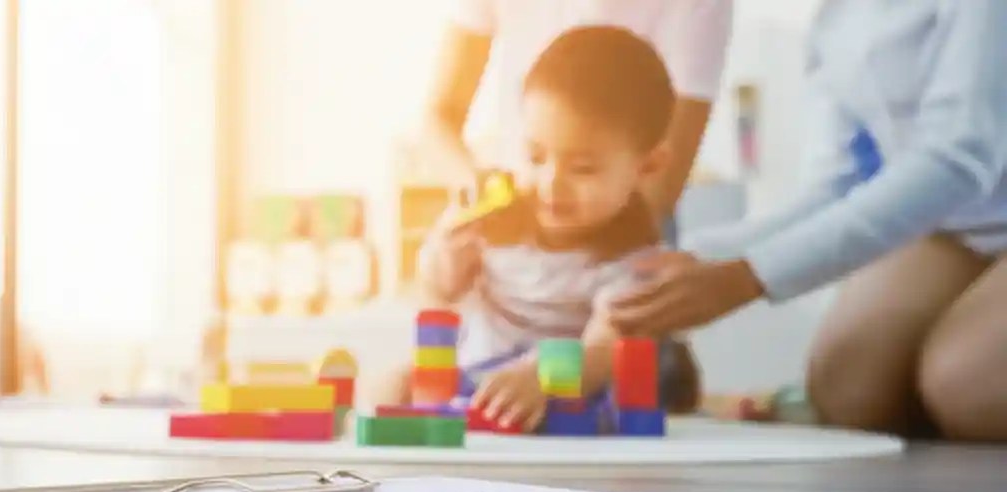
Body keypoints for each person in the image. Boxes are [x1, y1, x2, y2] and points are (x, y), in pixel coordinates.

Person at [607, 0, 1007, 442]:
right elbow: (835, 187)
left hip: (970, 201)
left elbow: (958, 160)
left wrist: (750, 277)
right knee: (848, 386)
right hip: (965, 229)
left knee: (964, 385)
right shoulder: (835, 20)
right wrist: (691, 256)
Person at [378, 26, 700, 430]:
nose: (551, 183)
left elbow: (603, 353)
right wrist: (443, 266)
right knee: (389, 386)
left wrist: (544, 379)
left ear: (648, 166)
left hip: (564, 401)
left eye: (583, 168)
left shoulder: (637, 263)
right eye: (535, 155)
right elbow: (435, 300)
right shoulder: (489, 220)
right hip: (471, 386)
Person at [423, 0, 732, 221]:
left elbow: (661, 186)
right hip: (517, 210)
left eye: (584, 167)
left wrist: (566, 248)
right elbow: (438, 116)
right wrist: (476, 186)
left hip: (627, 229)